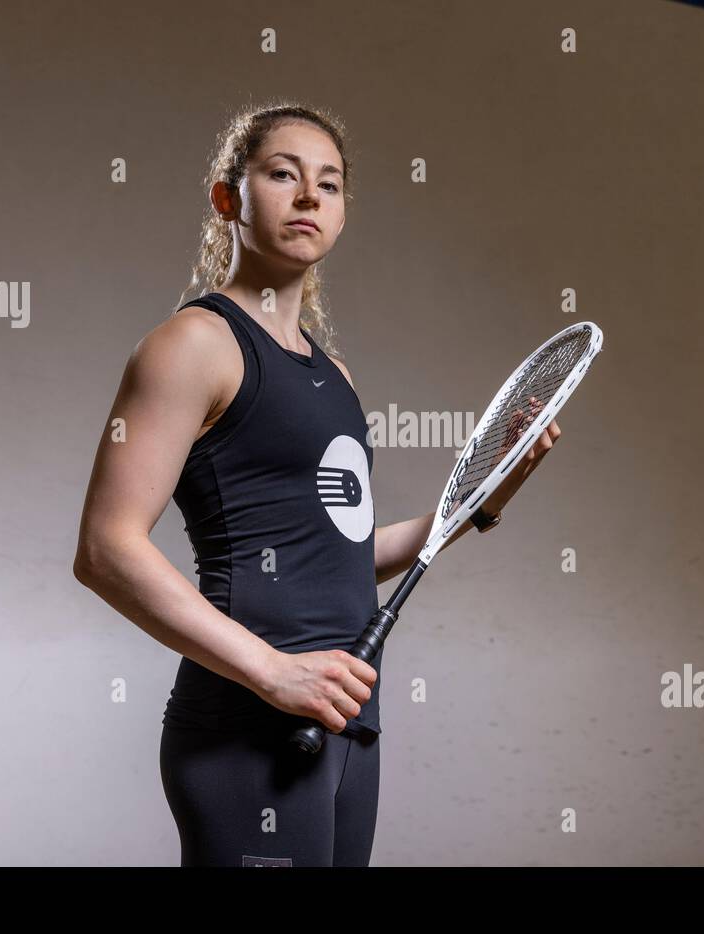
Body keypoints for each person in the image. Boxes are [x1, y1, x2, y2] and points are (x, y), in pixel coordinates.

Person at [73, 102, 561, 866]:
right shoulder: (194, 345)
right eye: (282, 175)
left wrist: (477, 503)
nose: (309, 197)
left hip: (343, 720)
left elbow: (341, 553)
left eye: (328, 185)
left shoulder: (334, 375)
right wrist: (273, 670)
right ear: (226, 198)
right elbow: (105, 548)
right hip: (249, 724)